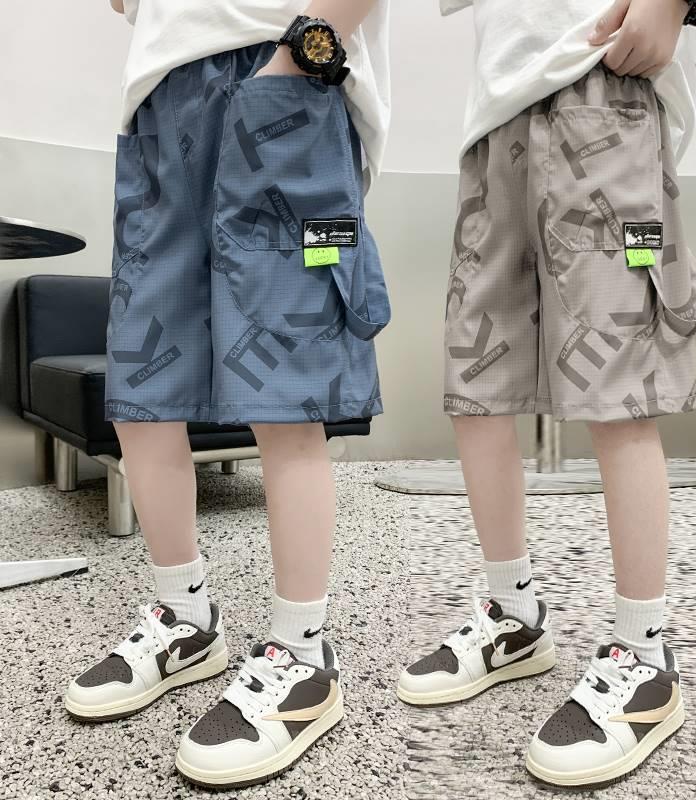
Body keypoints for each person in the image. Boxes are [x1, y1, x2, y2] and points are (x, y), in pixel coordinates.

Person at [64, 0, 390, 789]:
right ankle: (184, 617)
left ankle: (303, 654)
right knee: (144, 391)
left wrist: (299, 54)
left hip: (279, 67)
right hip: (158, 103)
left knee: (287, 400)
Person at [398, 0, 696, 787]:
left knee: (618, 394)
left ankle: (645, 655)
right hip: (494, 116)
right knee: (476, 384)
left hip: (602, 82)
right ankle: (513, 614)